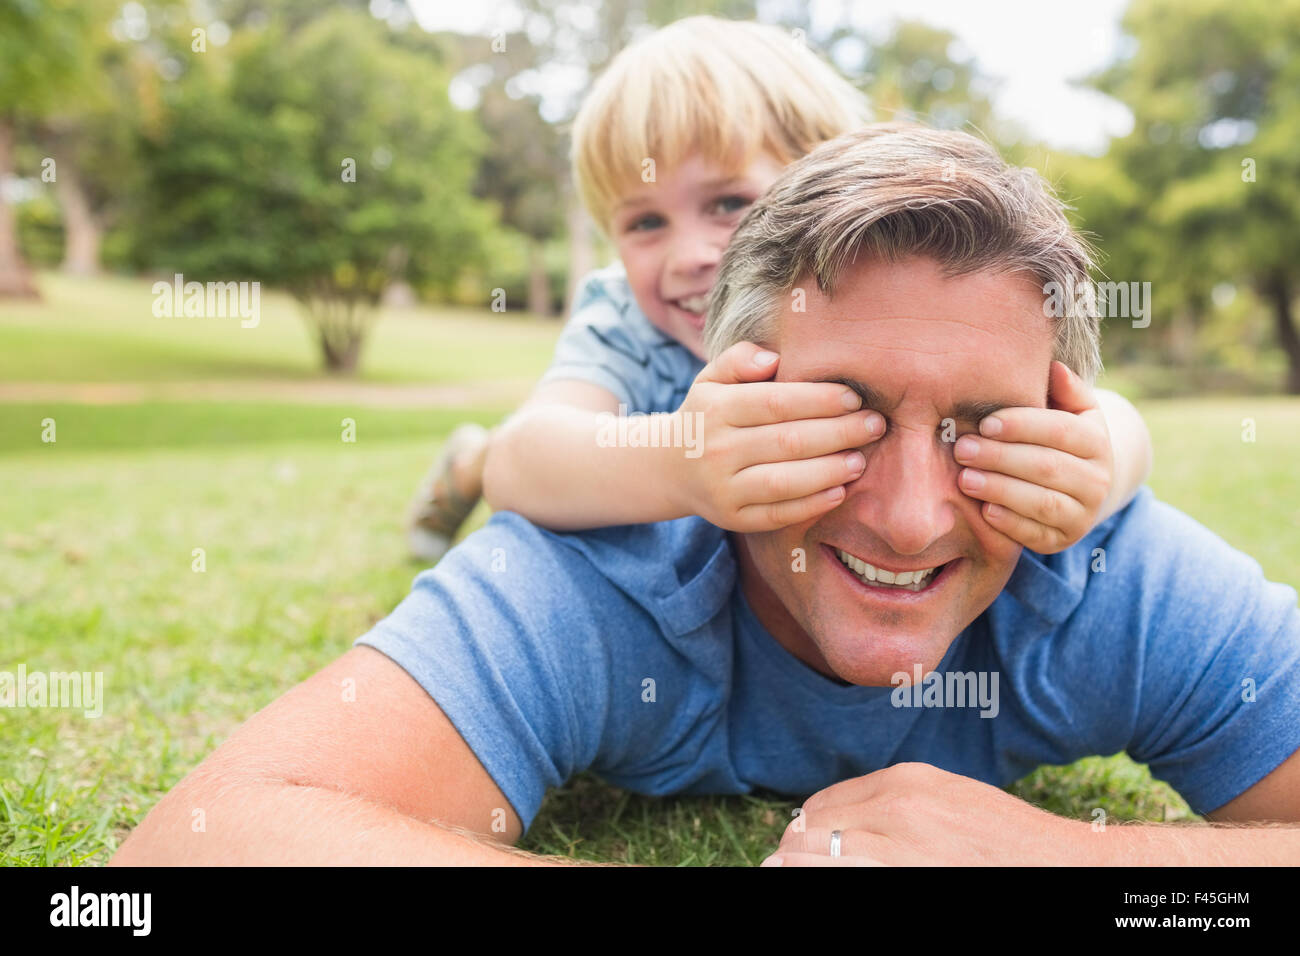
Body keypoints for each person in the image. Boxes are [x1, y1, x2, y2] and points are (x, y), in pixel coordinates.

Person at [110, 124, 1300, 866]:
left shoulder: (1099, 565)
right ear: (725, 389)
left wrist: (1049, 861)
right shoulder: (602, 568)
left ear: (1063, 423)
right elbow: (201, 842)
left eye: (982, 428)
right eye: (840, 415)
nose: (909, 513)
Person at [405, 15, 1152, 564]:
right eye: (644, 223)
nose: (689, 256)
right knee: (495, 450)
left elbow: (1114, 421)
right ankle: (460, 461)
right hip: (600, 461)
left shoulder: (885, 312)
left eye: (729, 205)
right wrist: (677, 465)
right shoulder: (623, 319)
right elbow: (527, 461)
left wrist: (1100, 466)